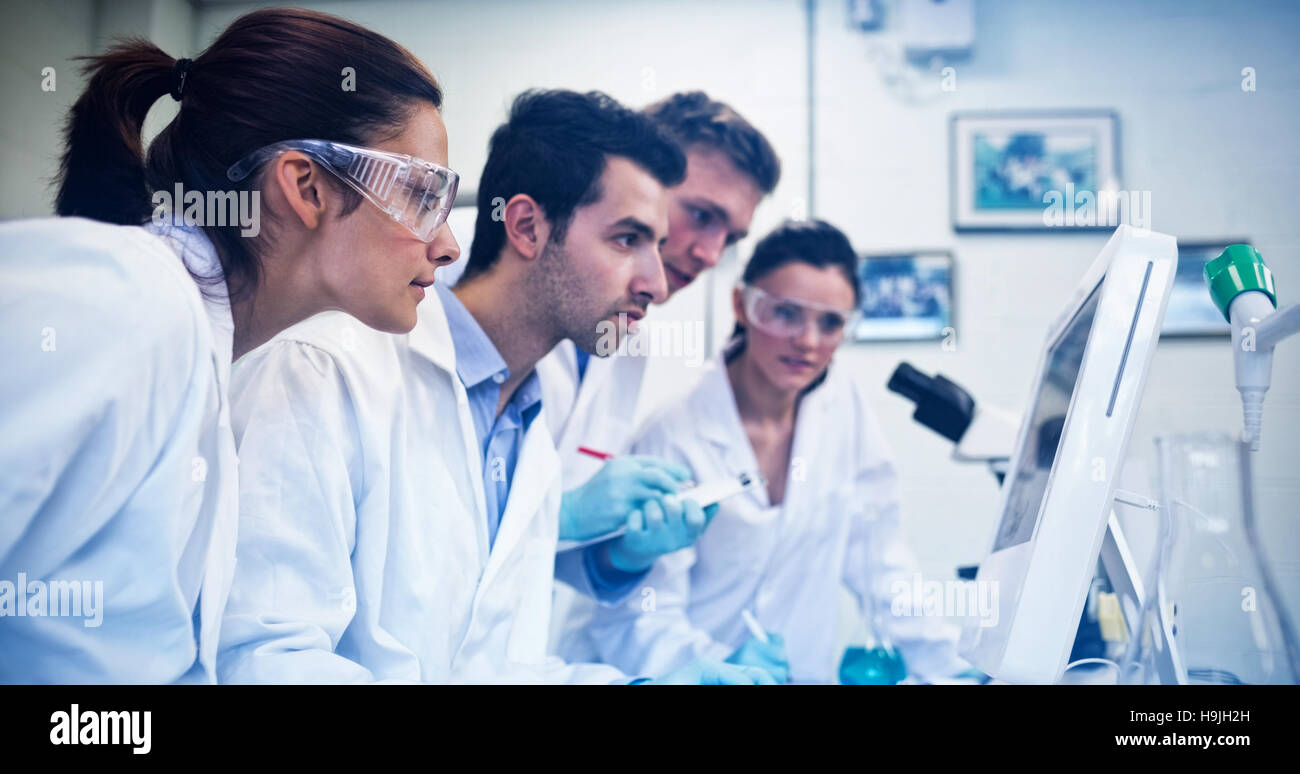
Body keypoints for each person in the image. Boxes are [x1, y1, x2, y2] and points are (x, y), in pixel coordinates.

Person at [218, 89, 774, 685]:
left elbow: (492, 664)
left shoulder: (524, 423)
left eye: (657, 246)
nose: (658, 284)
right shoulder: (323, 369)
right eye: (627, 239)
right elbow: (265, 658)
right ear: (527, 227)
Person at [0, 7, 458, 684]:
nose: (447, 244)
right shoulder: (127, 300)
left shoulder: (201, 362)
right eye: (423, 194)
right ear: (305, 187)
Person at [582, 220, 970, 684]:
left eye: (830, 323)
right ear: (741, 306)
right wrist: (719, 670)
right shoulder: (674, 432)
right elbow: (638, 616)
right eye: (786, 313)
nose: (808, 341)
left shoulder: (845, 411)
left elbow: (883, 567)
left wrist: (959, 669)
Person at [547, 91, 781, 656]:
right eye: (702, 215)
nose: (709, 253)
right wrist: (560, 514)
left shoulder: (624, 345)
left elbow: (540, 564)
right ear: (639, 175)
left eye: (731, 238)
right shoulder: (438, 293)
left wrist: (619, 556)